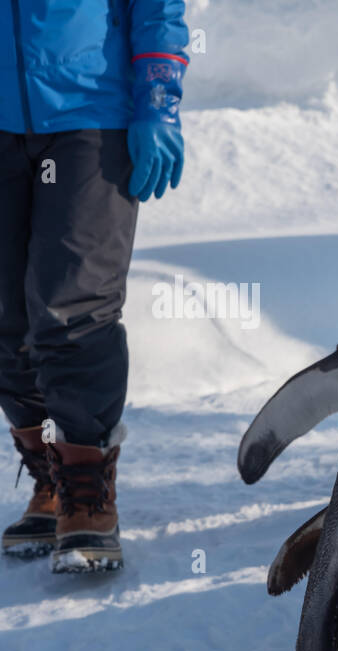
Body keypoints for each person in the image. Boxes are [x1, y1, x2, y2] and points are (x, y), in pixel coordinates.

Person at [0, 0, 189, 572]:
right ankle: (47, 478)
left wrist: (157, 100)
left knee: (73, 305)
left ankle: (85, 485)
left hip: (89, 112)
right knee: (7, 313)